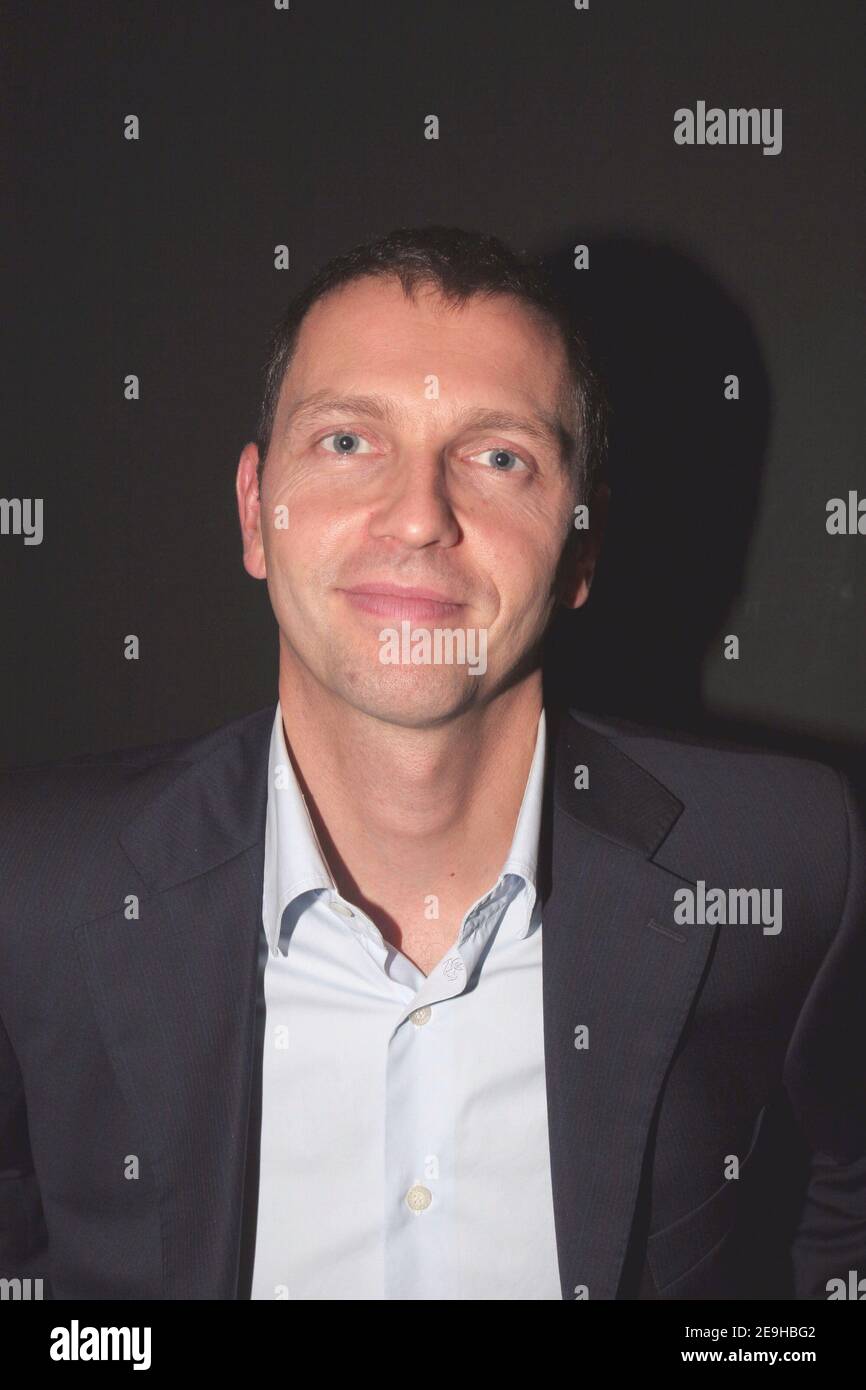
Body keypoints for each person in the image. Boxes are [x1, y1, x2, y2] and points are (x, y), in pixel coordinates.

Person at [1, 226, 864, 1301]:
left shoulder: (791, 864)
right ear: (252, 513)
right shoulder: (32, 889)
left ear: (579, 548)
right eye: (347, 442)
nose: (416, 516)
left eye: (498, 457)